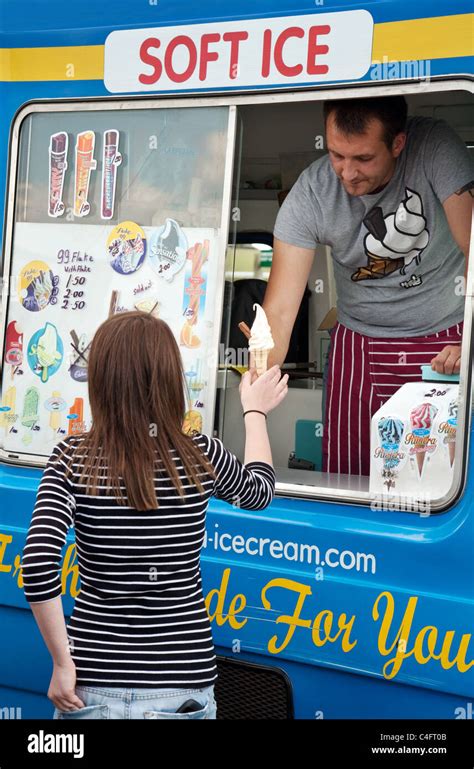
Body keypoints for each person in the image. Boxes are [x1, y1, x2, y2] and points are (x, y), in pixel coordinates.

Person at [21, 311, 288, 720]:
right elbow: (259, 492)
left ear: (101, 381)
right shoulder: (200, 453)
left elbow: (38, 565)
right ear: (168, 379)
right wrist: (254, 411)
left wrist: (61, 661)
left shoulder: (71, 459)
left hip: (92, 683)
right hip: (182, 683)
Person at [265, 96, 473, 476]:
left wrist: (472, 341)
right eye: (336, 155)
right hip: (358, 343)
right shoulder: (313, 191)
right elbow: (278, 312)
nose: (346, 173)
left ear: (397, 143)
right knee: (347, 476)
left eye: (363, 159)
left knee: (436, 476)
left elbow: (473, 246)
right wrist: (257, 386)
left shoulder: (435, 148)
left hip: (444, 340)